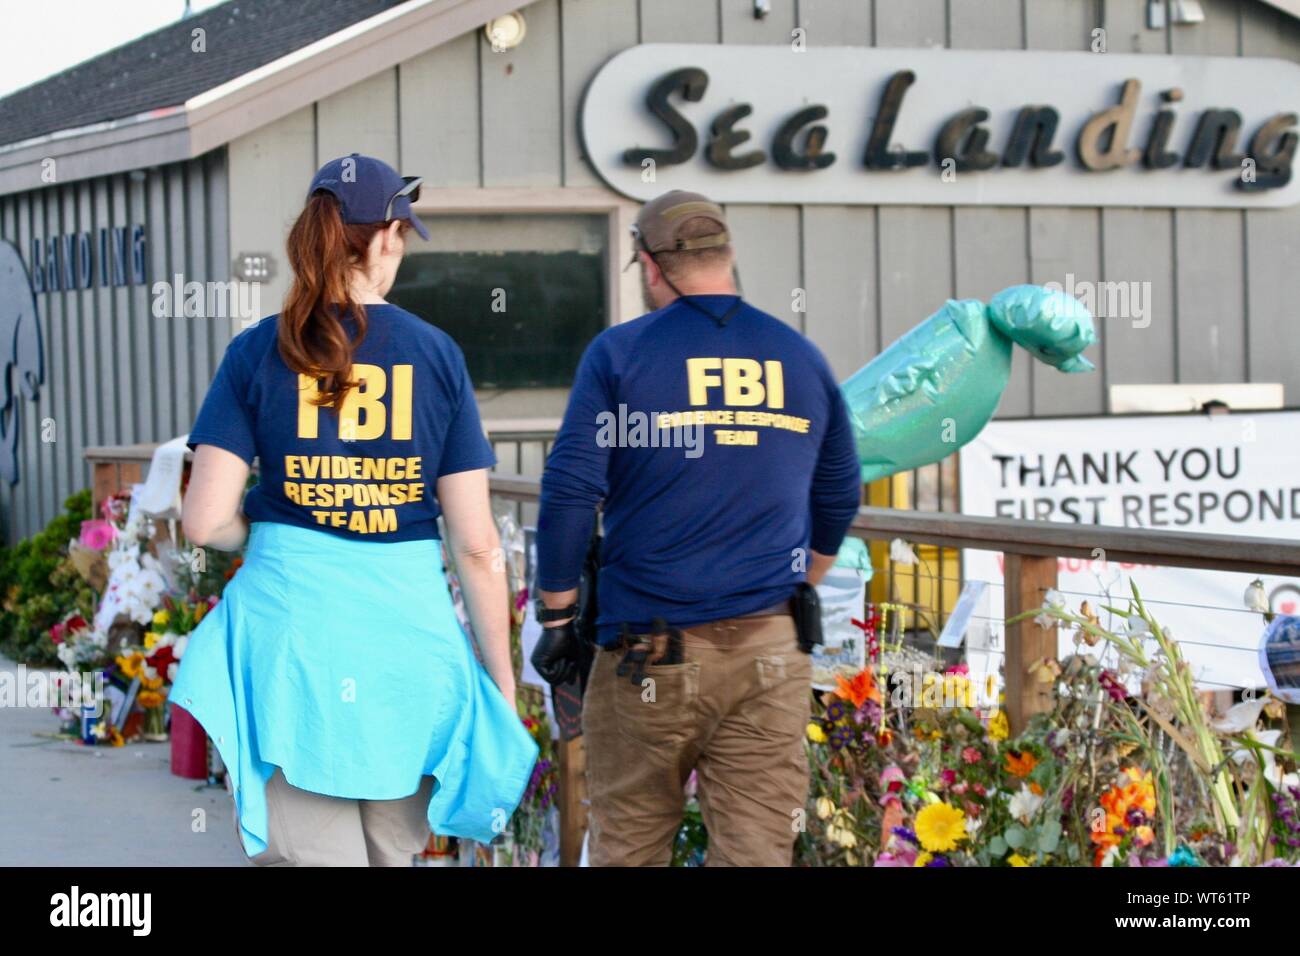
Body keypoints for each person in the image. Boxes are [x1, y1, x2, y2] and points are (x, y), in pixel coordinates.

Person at [171, 153, 537, 867]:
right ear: (387, 237)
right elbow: (479, 547)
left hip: (293, 643)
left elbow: (204, 522)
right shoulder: (437, 355)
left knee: (308, 852)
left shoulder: (256, 351)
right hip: (408, 647)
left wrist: (276, 529)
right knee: (392, 853)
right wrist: (500, 681)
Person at [531, 190, 862, 866]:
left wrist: (558, 615)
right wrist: (801, 581)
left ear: (650, 267)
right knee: (756, 851)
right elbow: (839, 492)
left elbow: (570, 491)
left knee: (629, 844)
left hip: (648, 651)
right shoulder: (798, 356)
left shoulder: (619, 355)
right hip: (770, 648)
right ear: (727, 255)